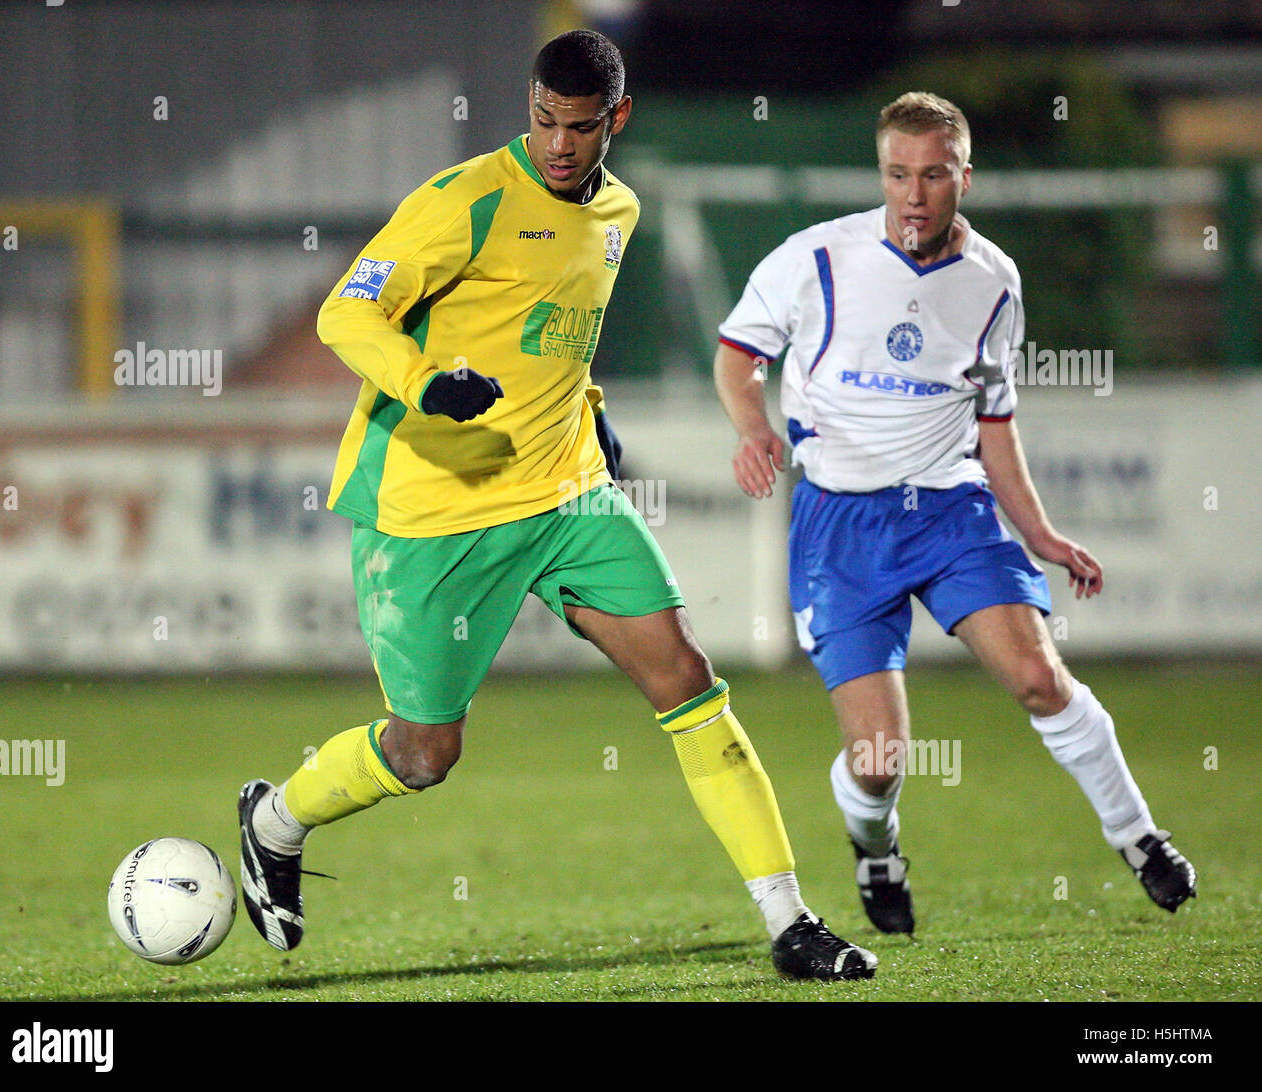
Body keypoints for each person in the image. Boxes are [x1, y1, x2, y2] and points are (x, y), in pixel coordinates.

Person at [238, 29, 877, 982]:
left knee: (687, 676)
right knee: (423, 754)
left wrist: (592, 413)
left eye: (579, 127)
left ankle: (790, 922)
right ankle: (275, 820)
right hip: (435, 510)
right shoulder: (466, 202)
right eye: (543, 123)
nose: (560, 145)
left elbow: (553, 337)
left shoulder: (617, 209)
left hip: (568, 493)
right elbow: (346, 312)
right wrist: (426, 383)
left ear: (614, 119)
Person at [713, 91, 1196, 936]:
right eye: (897, 174)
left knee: (1042, 678)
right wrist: (753, 428)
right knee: (878, 760)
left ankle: (1139, 836)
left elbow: (995, 425)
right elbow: (737, 358)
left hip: (950, 509)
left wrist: (1039, 533)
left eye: (932, 174)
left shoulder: (994, 282)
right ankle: (876, 847)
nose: (913, 193)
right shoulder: (816, 257)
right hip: (840, 524)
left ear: (963, 178)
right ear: (882, 174)